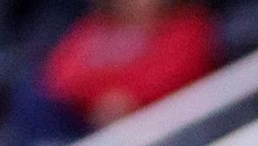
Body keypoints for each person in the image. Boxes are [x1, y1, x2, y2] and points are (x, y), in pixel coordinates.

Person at [42, 0, 217, 131]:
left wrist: (130, 97)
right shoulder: (94, 28)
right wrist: (104, 98)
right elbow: (60, 77)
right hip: (86, 127)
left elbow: (176, 74)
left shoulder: (187, 25)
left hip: (166, 128)